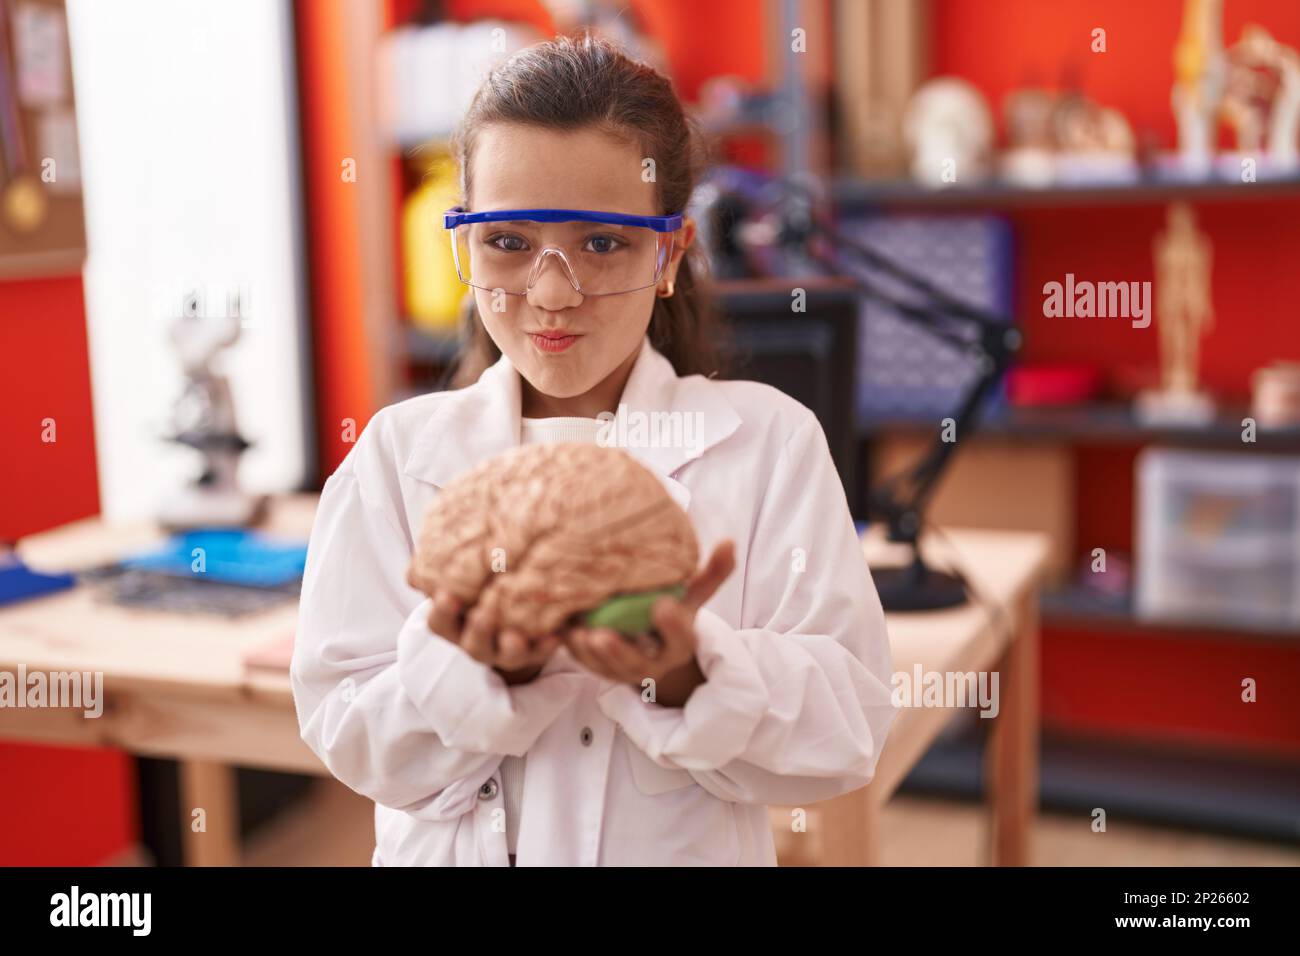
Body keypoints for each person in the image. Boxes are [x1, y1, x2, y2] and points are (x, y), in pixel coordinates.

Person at [290, 33, 896, 867]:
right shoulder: (395, 458)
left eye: (602, 243)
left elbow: (851, 725)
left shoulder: (770, 444)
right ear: (462, 240)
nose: (549, 292)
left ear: (669, 253)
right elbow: (347, 730)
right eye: (507, 242)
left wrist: (691, 676)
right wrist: (480, 671)